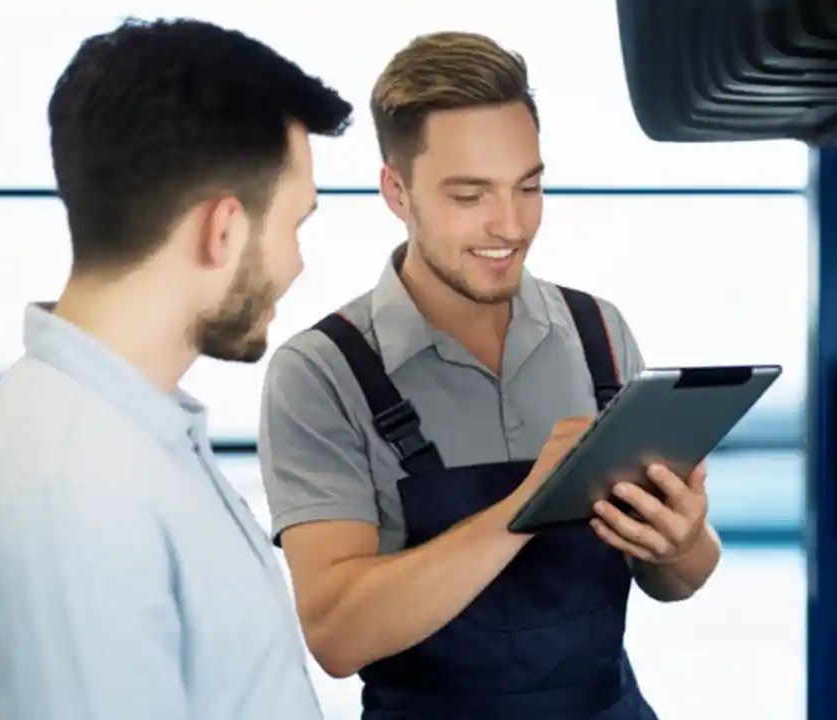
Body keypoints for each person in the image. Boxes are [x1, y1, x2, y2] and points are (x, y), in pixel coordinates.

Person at [259, 30, 721, 719]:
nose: (510, 224)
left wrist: (681, 541)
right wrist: (526, 507)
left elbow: (681, 580)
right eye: (469, 196)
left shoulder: (599, 333)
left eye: (528, 186)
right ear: (397, 191)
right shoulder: (321, 373)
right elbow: (337, 635)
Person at [0, 18, 352, 720]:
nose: (298, 263)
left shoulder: (123, 440)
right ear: (224, 230)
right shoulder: (66, 497)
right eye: (296, 224)